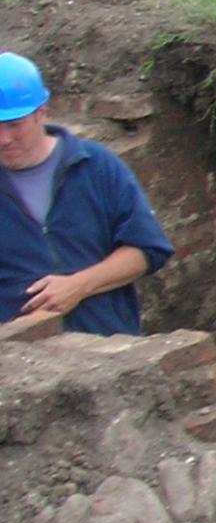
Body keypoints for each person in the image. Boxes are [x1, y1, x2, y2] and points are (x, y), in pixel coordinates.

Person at [0, 52, 175, 336]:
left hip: (109, 349)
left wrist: (79, 285)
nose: (4, 139)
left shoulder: (95, 166)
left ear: (41, 113)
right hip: (21, 365)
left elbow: (147, 249)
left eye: (14, 125)